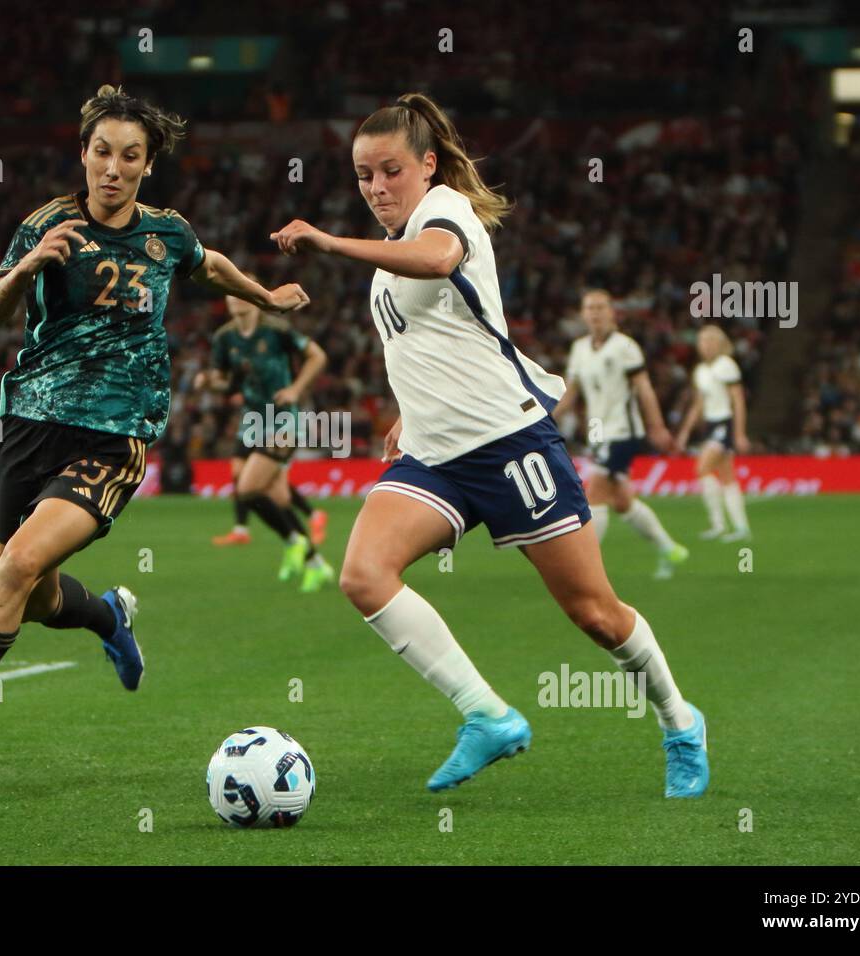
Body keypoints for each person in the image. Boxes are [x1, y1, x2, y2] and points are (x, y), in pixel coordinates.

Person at [270, 92, 708, 797]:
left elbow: (440, 260)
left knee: (594, 613)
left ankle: (681, 721)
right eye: (363, 176)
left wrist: (328, 242)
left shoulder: (445, 212)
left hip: (510, 446)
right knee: (362, 575)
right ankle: (488, 715)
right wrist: (408, 415)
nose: (376, 187)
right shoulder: (393, 257)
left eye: (390, 171)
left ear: (427, 165)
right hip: (435, 458)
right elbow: (440, 341)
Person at [0, 85, 309, 757]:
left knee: (16, 565)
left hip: (114, 434)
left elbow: (207, 264)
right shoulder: (47, 225)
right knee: (37, 592)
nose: (113, 167)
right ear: (82, 154)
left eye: (129, 156)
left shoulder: (166, 234)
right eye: (101, 152)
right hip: (26, 426)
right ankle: (109, 615)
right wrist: (27, 267)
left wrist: (266, 296)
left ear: (147, 165)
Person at [194, 287, 335, 591]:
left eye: (240, 292)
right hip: (252, 421)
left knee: (247, 488)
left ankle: (294, 541)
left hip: (282, 419)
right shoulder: (224, 338)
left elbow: (317, 356)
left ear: (253, 297)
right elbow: (226, 385)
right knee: (278, 498)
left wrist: (296, 390)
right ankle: (315, 564)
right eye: (230, 294)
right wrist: (208, 382)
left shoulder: (277, 330)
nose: (234, 298)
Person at [554, 289, 689, 579]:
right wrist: (548, 418)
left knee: (595, 495)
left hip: (624, 431)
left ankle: (586, 570)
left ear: (613, 313)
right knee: (622, 501)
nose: (595, 313)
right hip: (598, 432)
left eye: (601, 307)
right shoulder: (579, 348)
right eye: (590, 308)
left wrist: (656, 427)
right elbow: (572, 391)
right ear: (583, 314)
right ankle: (670, 549)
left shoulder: (625, 347)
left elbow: (644, 388)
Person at [675, 325, 752, 541]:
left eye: (711, 341)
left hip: (724, 423)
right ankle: (739, 527)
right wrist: (685, 432)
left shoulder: (726, 366)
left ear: (720, 344)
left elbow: (738, 401)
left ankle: (719, 523)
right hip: (711, 424)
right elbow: (698, 404)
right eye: (703, 341)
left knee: (703, 468)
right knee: (727, 476)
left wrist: (739, 433)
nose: (706, 345)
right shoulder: (701, 371)